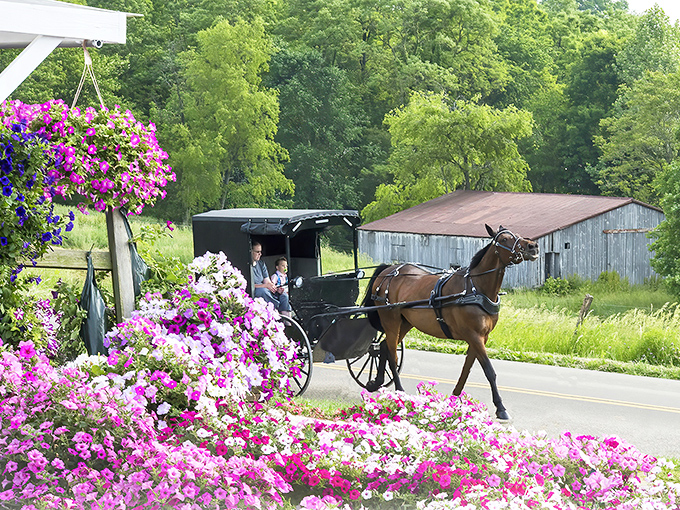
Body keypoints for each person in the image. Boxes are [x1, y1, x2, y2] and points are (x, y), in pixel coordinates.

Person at [250, 242, 291, 316]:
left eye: (261, 252)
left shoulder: (261, 263)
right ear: (251, 251)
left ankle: (288, 321)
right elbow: (250, 285)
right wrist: (265, 286)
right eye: (257, 252)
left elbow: (267, 281)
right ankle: (275, 310)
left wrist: (275, 288)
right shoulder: (247, 266)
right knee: (262, 291)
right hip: (257, 291)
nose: (260, 254)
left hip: (265, 290)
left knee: (284, 295)